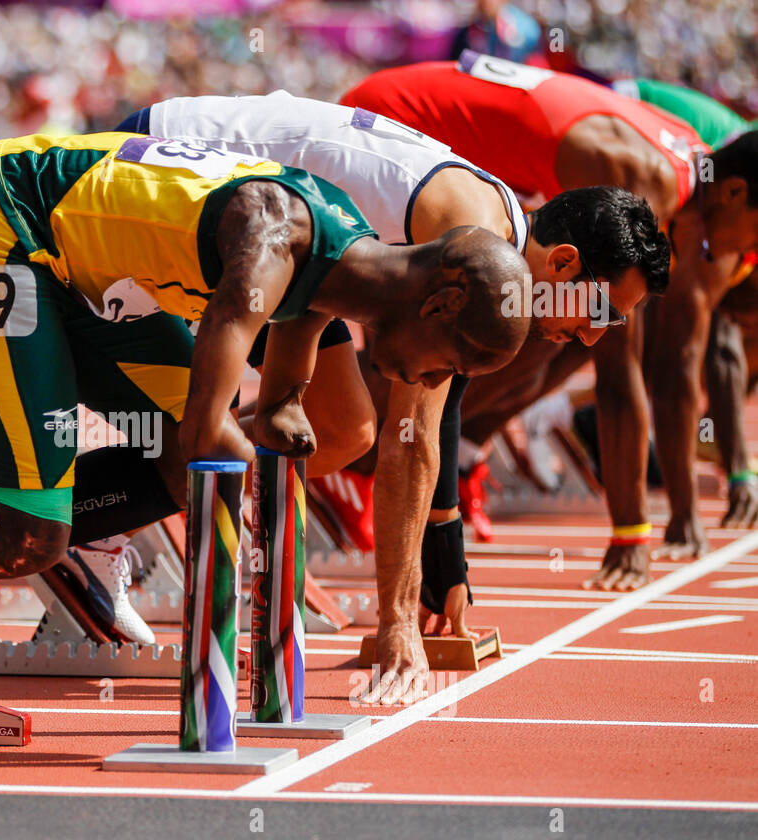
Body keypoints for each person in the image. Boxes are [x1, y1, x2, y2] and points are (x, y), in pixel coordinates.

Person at [0, 130, 531, 714]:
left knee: (156, 476)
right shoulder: (273, 246)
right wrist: (255, 495)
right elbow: (208, 431)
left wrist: (282, 408)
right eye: (454, 359)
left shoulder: (339, 255)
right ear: (442, 297)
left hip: (86, 273)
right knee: (33, 541)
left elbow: (288, 366)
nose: (440, 381)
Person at [117, 91, 665, 692]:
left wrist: (444, 556)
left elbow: (439, 407)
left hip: (285, 244)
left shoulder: (498, 246)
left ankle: (126, 499)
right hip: (177, 169)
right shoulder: (476, 240)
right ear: (562, 264)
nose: (592, 338)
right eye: (602, 312)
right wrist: (397, 623)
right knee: (281, 420)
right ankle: (106, 516)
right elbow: (415, 438)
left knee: (344, 427)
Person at [341, 54, 758, 604]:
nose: (749, 256)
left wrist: (684, 511)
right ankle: (348, 460)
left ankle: (455, 451)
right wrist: (632, 533)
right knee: (509, 333)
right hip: (390, 126)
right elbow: (623, 378)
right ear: (731, 194)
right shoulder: (639, 182)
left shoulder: (683, 164)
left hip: (440, 132)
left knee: (562, 333)